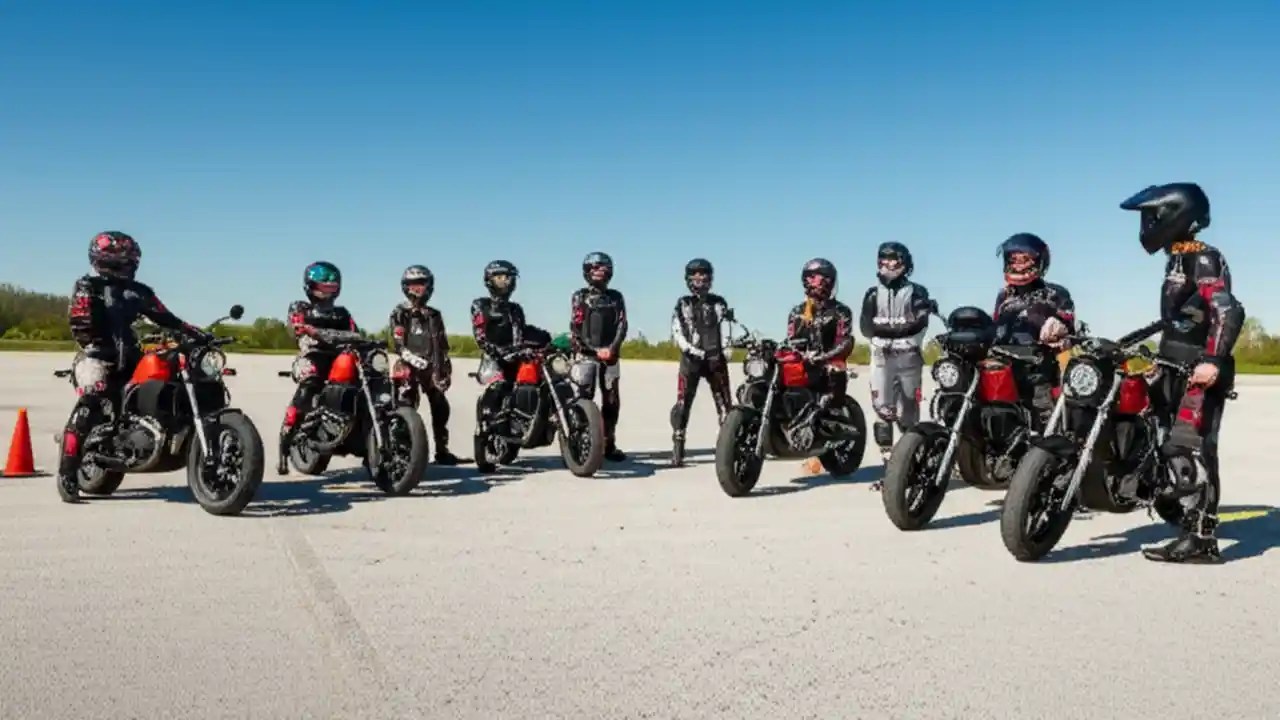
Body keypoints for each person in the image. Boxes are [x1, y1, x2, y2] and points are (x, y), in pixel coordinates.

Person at [1120, 182, 1244, 564]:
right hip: (1175, 363)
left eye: (1152, 216)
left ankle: (1201, 539)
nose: (1147, 225)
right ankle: (1179, 511)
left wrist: (1212, 361)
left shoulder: (1203, 258)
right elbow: (1180, 319)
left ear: (1176, 216)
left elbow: (1228, 311)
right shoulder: (1177, 257)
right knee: (1162, 442)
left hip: (1200, 367)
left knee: (1193, 447)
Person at [58, 231, 211, 502]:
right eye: (121, 256)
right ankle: (67, 475)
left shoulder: (140, 292)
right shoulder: (88, 286)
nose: (127, 261)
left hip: (132, 357)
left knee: (161, 383)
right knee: (91, 403)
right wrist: (97, 343)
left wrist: (196, 333)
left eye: (129, 256)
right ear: (103, 257)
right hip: (97, 357)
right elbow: (79, 320)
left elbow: (166, 317)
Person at [859, 242, 937, 482]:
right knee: (882, 409)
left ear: (906, 263)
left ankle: (910, 462)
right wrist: (901, 326)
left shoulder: (917, 291)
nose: (890, 265)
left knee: (908, 413)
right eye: (884, 261)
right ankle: (888, 466)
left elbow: (920, 323)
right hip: (881, 356)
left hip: (909, 356)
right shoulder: (872, 294)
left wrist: (889, 328)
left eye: (895, 261)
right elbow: (866, 328)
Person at [277, 261, 364, 475]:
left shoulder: (342, 313)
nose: (326, 291)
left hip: (339, 359)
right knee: (309, 382)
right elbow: (296, 330)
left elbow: (357, 335)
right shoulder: (300, 308)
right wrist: (311, 332)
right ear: (310, 286)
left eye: (331, 287)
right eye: (322, 287)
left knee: (364, 381)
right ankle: (285, 441)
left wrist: (323, 334)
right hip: (311, 357)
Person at [990, 233, 1076, 426]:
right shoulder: (1003, 296)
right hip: (1004, 369)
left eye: (1025, 259)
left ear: (1039, 261)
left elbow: (1068, 320)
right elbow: (993, 327)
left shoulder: (1055, 293)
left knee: (1045, 424)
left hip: (1040, 369)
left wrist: (1057, 324)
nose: (1019, 265)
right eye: (1013, 259)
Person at [388, 265, 461, 465]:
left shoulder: (434, 314)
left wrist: (444, 367)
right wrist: (410, 358)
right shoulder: (399, 312)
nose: (418, 288)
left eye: (422, 283)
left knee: (440, 406)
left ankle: (442, 450)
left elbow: (441, 343)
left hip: (432, 365)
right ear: (405, 286)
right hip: (408, 364)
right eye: (413, 284)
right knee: (404, 405)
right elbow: (397, 341)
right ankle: (401, 450)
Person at [668, 258, 735, 466]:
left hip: (716, 359)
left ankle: (728, 448)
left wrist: (725, 348)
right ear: (688, 278)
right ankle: (678, 445)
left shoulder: (719, 302)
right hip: (691, 360)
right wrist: (691, 350)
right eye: (695, 275)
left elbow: (726, 327)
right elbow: (677, 330)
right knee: (683, 403)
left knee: (725, 406)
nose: (700, 279)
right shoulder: (683, 303)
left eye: (704, 274)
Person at [470, 260, 552, 417]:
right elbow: (480, 337)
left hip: (518, 358)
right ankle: (486, 424)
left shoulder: (516, 309)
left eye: (508, 277)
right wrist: (500, 352)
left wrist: (547, 339)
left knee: (544, 379)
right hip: (494, 359)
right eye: (500, 277)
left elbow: (522, 331)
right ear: (489, 280)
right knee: (498, 387)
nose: (505, 281)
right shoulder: (480, 305)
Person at [569, 251, 628, 462]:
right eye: (594, 268)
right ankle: (577, 445)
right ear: (586, 271)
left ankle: (608, 443)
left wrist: (612, 348)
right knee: (581, 400)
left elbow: (622, 325)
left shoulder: (616, 297)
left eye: (603, 268)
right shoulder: (580, 296)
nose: (599, 272)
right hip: (585, 356)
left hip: (610, 358)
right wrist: (592, 350)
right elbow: (575, 327)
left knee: (612, 402)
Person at [785, 258, 856, 408]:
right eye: (815, 277)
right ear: (806, 280)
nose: (821, 281)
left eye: (826, 277)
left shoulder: (841, 311)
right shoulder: (797, 312)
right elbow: (790, 339)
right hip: (803, 364)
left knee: (836, 367)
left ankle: (835, 410)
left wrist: (821, 358)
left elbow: (844, 340)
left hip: (827, 364)